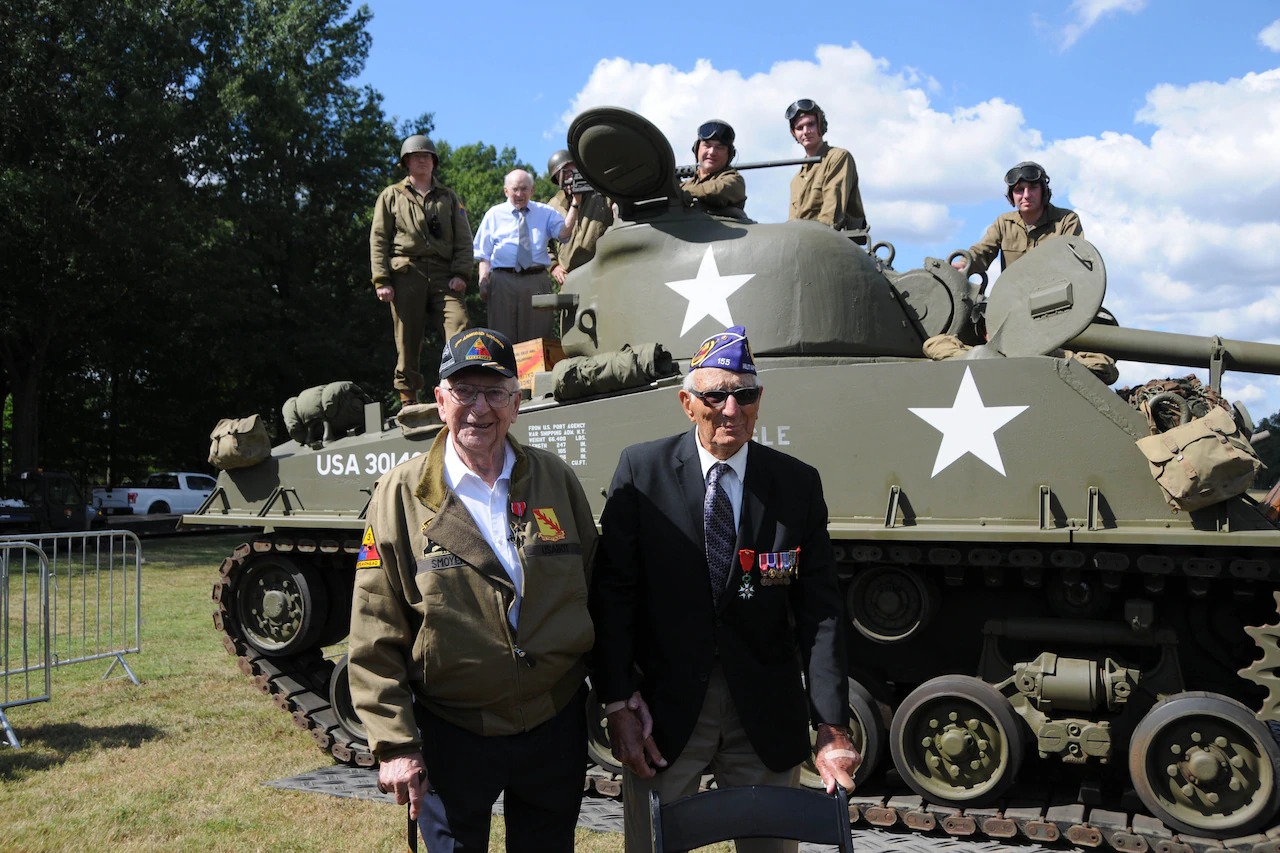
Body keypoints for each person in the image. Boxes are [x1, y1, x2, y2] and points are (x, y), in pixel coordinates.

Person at [589, 325, 859, 853]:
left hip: (763, 711)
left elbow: (820, 611)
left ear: (760, 401)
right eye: (715, 395)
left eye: (745, 394)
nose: (731, 410)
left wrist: (830, 724)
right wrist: (617, 702)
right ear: (687, 403)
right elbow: (612, 595)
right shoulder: (641, 473)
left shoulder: (797, 485)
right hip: (660, 716)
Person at [347, 327, 598, 852]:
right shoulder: (401, 495)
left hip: (553, 722)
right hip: (453, 730)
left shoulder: (554, 480)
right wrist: (395, 743)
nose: (479, 408)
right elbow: (375, 628)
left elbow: (596, 590)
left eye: (495, 392)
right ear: (440, 401)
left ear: (516, 403)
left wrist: (619, 697)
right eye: (465, 392)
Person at [370, 135, 475, 406]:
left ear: (434, 162)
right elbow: (379, 238)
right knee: (407, 338)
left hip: (444, 274)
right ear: (406, 162)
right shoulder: (391, 195)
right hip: (406, 272)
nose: (421, 159)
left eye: (426, 155)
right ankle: (408, 399)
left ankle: (462, 386)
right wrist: (382, 279)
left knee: (460, 326)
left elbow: (464, 239)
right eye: (416, 156)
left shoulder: (449, 197)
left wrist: (462, 274)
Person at [473, 169, 580, 344]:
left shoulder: (545, 212)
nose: (519, 194)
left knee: (537, 338)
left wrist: (575, 204)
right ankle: (506, 372)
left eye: (524, 189)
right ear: (506, 191)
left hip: (535, 280)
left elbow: (564, 234)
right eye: (515, 189)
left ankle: (534, 372)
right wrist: (483, 281)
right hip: (502, 281)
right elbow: (484, 254)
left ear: (532, 190)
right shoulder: (494, 215)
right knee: (501, 339)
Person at [953, 160, 1083, 275]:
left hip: (1057, 296)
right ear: (1012, 195)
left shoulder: (1066, 220)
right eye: (1019, 190)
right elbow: (982, 251)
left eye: (1032, 188)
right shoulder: (1004, 223)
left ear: (1043, 191)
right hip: (1015, 299)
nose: (1026, 195)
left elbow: (1075, 262)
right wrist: (964, 264)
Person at [785, 99, 868, 237]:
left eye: (810, 124)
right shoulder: (796, 180)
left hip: (832, 243)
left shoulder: (838, 158)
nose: (805, 131)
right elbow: (792, 224)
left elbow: (831, 216)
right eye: (799, 128)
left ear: (820, 125)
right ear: (794, 133)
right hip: (803, 245)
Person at [544, 149, 614, 286]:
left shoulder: (602, 195)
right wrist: (553, 266)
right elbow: (542, 242)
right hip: (570, 277)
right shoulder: (553, 206)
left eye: (569, 169)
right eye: (560, 174)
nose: (567, 177)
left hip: (603, 272)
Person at [680, 119, 747, 216]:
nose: (712, 152)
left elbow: (714, 190)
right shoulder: (689, 184)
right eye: (707, 146)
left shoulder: (734, 181)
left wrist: (678, 191)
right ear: (697, 149)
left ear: (729, 154)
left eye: (719, 148)